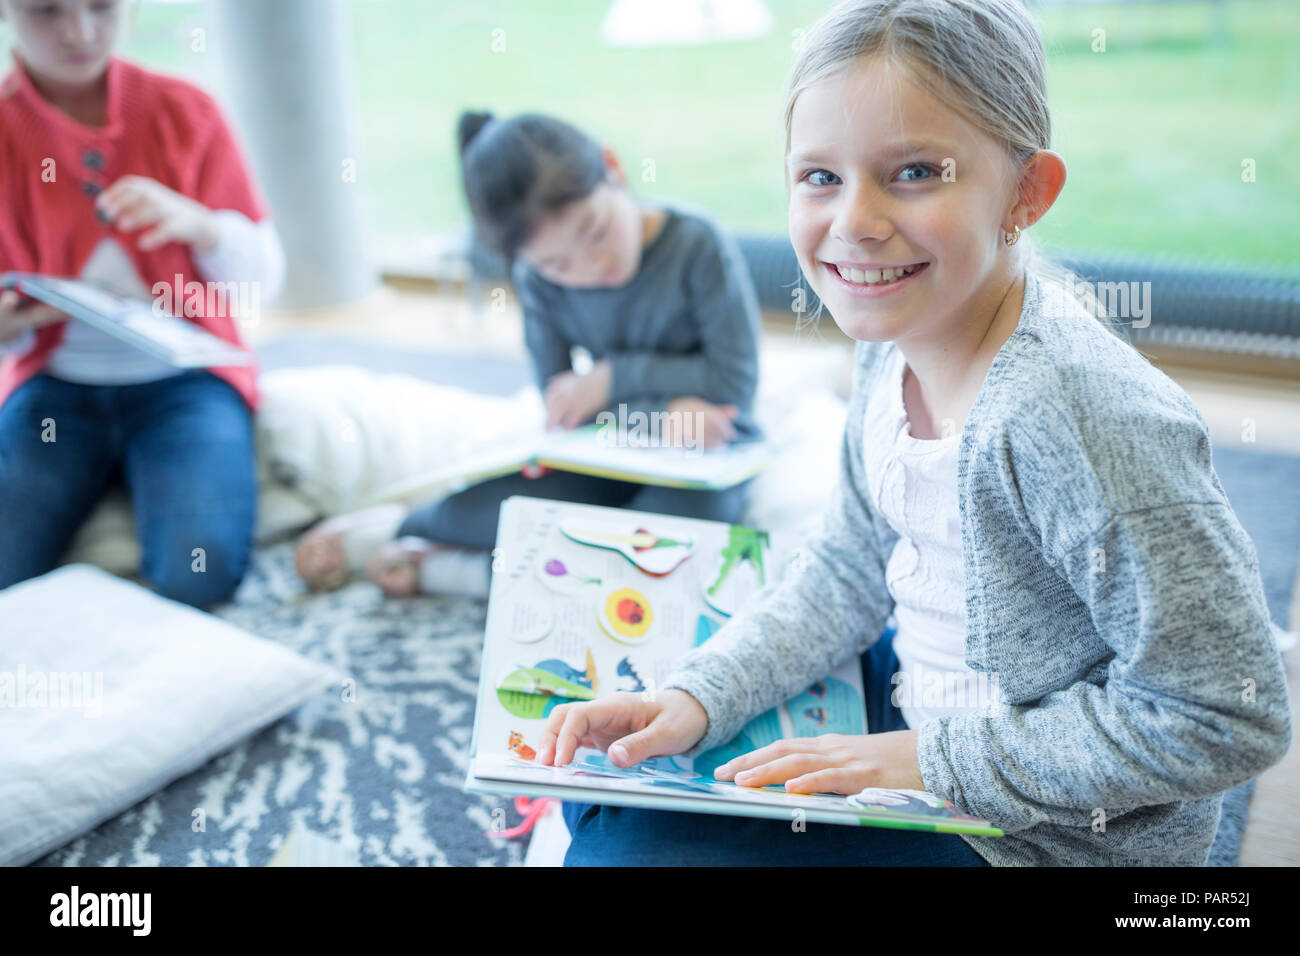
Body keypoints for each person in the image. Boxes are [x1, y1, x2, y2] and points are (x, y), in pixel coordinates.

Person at [535, 0, 1293, 866]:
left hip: (1033, 839)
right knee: (608, 794)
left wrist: (929, 760)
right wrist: (700, 696)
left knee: (623, 855)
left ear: (1026, 192)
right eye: (820, 177)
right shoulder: (892, 339)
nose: (855, 222)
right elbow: (852, 568)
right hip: (916, 706)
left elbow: (1228, 714)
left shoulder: (1074, 416)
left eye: (915, 172)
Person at [294, 110, 764, 600]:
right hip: (612, 446)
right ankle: (402, 527)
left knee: (670, 547)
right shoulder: (537, 281)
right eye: (557, 263)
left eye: (597, 231)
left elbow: (733, 385)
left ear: (613, 167)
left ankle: (450, 573)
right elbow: (562, 407)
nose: (592, 265)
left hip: (710, 449)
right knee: (514, 508)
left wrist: (610, 378)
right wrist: (656, 413)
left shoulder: (697, 244)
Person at [0, 0, 285, 607]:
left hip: (185, 379)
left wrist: (203, 227)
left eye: (101, 8)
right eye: (46, 12)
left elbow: (261, 281)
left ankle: (133, 475)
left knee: (196, 573)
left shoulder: (185, 110)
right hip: (54, 385)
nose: (79, 32)